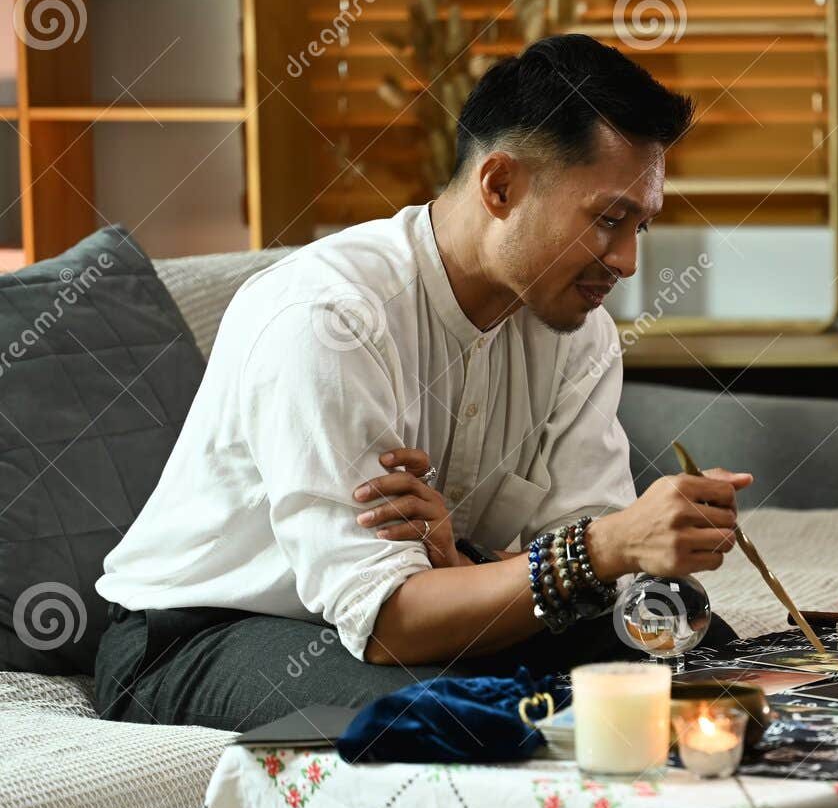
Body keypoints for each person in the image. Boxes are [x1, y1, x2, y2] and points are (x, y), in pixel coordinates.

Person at [95, 36, 750, 731]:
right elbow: (389, 623)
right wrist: (601, 546)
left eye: (641, 225)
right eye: (609, 219)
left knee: (704, 657)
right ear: (499, 186)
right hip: (199, 635)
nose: (626, 259)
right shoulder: (332, 319)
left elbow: (585, 583)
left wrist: (474, 560)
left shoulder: (575, 332)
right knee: (461, 710)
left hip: (409, 609)